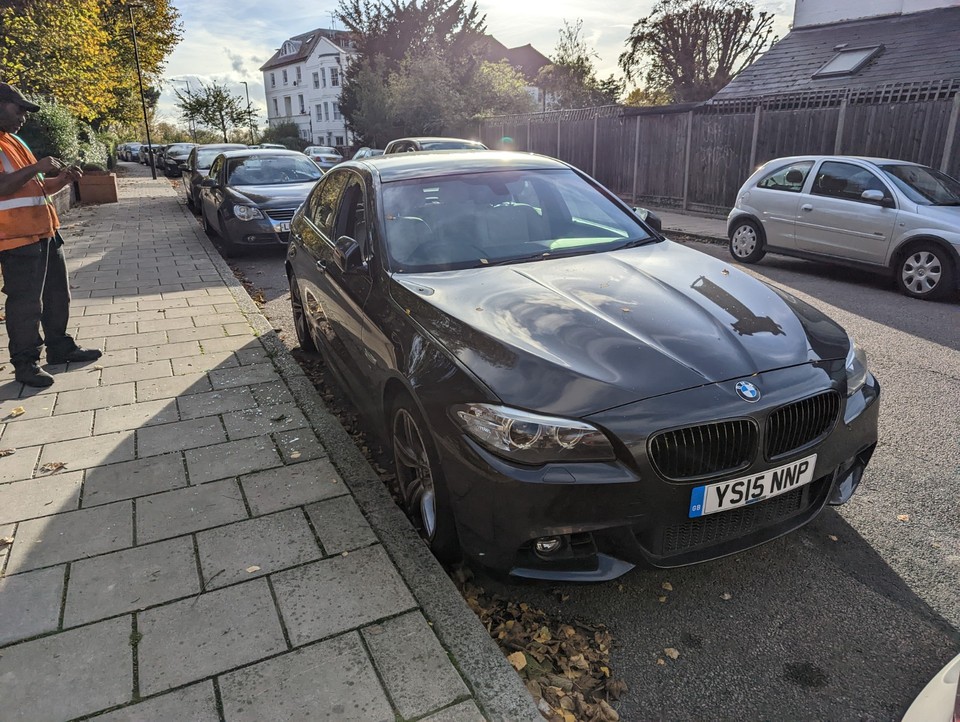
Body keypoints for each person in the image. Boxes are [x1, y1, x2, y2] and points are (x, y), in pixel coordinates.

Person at [0, 82, 101, 387]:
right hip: (17, 239)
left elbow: (40, 188)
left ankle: (60, 348)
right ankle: (25, 363)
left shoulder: (14, 142)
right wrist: (37, 168)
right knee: (25, 303)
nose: (24, 117)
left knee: (58, 295)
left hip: (45, 231)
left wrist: (63, 179)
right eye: (19, 108)